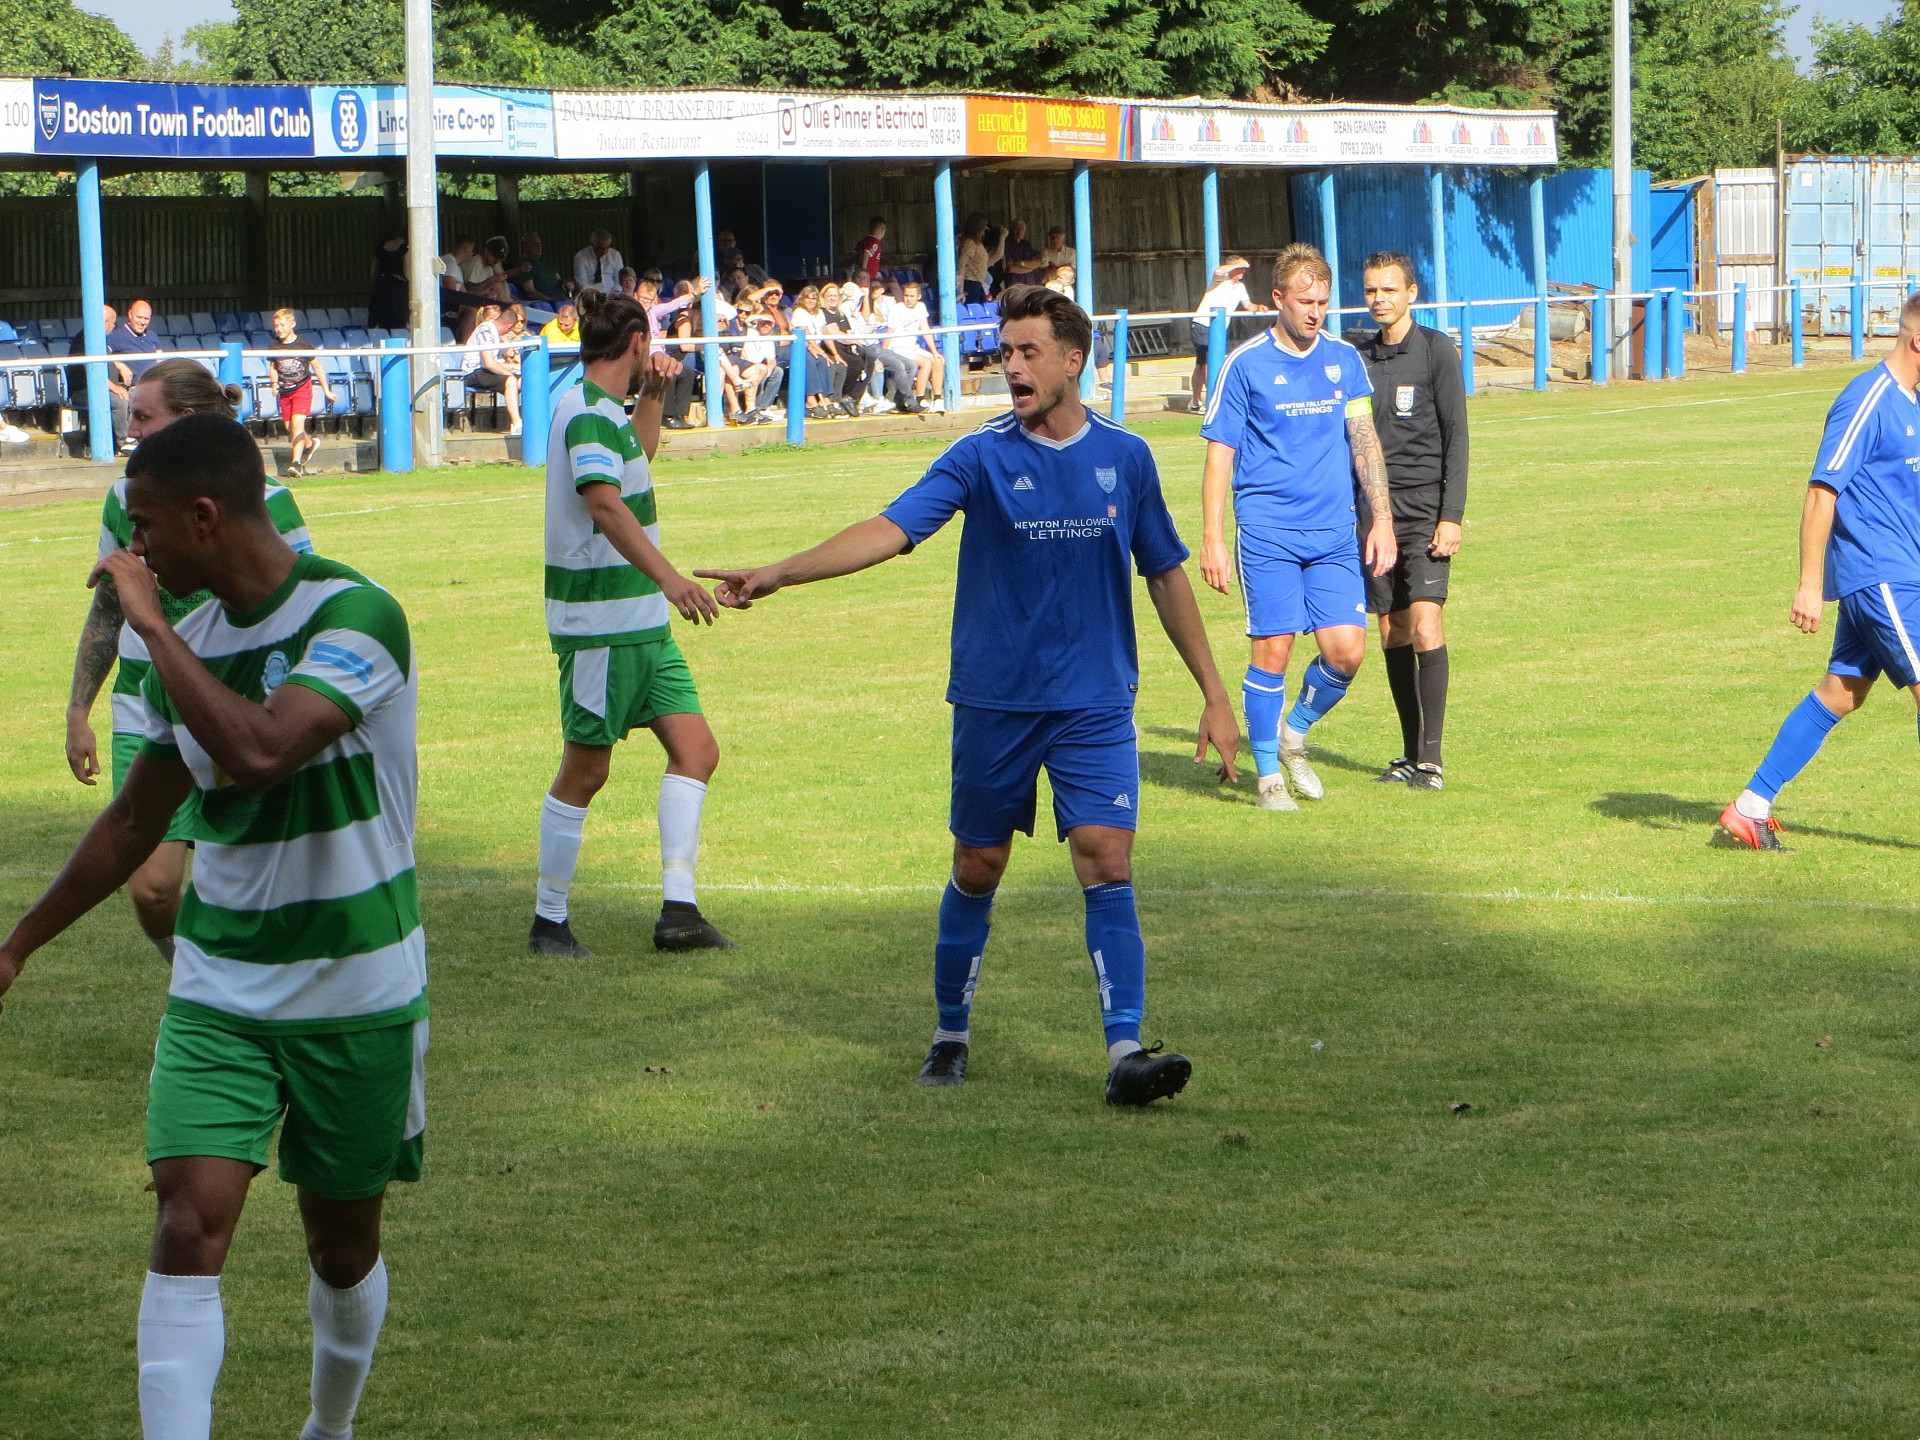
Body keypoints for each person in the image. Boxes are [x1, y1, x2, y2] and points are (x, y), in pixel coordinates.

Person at [696, 284, 1238, 1105]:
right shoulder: (981, 454)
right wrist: (780, 572)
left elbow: (1163, 571)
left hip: (1093, 700)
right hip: (995, 700)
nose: (1010, 367)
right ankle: (951, 1031)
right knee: (979, 864)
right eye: (1004, 351)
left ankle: (1127, 1050)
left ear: (1071, 359)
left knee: (1108, 857)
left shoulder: (1125, 458)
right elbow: (891, 529)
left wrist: (1213, 692)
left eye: (1027, 352)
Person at [2, 413, 424, 1440]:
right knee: (186, 1222)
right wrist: (16, 945)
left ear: (203, 515)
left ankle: (329, 1428)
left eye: (142, 530)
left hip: (355, 990)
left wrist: (147, 626)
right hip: (220, 984)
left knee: (341, 1245)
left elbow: (263, 750)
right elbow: (140, 816)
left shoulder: (355, 615)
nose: (129, 551)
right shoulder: (187, 643)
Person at [64, 360, 313, 965]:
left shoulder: (269, 506)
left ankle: (228, 992)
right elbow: (107, 608)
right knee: (151, 890)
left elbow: (302, 612)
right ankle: (198, 979)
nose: (134, 431)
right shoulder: (124, 502)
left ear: (189, 421)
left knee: (247, 871)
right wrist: (77, 709)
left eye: (144, 417)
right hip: (146, 701)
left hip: (238, 702)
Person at [531, 287, 734, 957]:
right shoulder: (586, 412)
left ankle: (680, 911)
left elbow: (636, 458)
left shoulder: (608, 410)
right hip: (601, 626)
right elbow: (605, 505)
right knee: (586, 769)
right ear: (637, 343)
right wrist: (671, 578)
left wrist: (650, 397)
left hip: (639, 623)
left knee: (696, 751)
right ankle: (548, 920)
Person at [1717, 291, 1920, 849]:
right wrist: (1809, 584)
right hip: (1882, 575)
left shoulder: (1912, 403)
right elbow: (1821, 491)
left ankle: (1749, 807)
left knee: (1842, 691)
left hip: (1895, 574)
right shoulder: (1868, 399)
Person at [1198, 243, 1397, 812]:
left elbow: (1364, 442)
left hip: (1334, 530)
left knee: (1348, 653)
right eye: (1305, 301)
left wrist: (1380, 519)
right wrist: (1214, 538)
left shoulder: (1344, 360)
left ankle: (1294, 735)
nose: (1315, 312)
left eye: (1324, 303)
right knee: (1275, 650)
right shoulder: (1246, 364)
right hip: (1268, 531)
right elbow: (1219, 456)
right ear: (1278, 299)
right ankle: (1268, 780)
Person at [1356, 252, 1468, 791]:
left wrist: (1451, 516)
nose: (1380, 299)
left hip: (1425, 508)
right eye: (1372, 290)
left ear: (1412, 293)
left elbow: (1458, 437)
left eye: (1390, 290)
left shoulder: (1435, 350)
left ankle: (1432, 758)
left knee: (1427, 625)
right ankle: (1406, 753)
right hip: (1373, 512)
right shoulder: (1358, 355)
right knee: (1392, 629)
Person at [268, 307, 338, 478]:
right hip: (285, 391)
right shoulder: (273, 345)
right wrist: (274, 383)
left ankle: (296, 463)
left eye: (283, 325)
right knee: (289, 427)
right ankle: (309, 444)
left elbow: (318, 367)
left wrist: (326, 390)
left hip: (302, 388)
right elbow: (273, 367)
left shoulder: (303, 344)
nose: (279, 329)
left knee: (297, 424)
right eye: (276, 326)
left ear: (293, 324)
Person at [1189, 257, 1254, 413]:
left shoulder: (1240, 287)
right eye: (1241, 268)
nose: (1244, 271)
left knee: (1201, 364)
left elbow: (1248, 305)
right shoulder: (1219, 280)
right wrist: (1236, 264)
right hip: (1203, 325)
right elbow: (1218, 271)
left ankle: (1195, 402)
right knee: (1206, 364)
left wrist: (1258, 307)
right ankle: (1211, 400)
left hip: (1219, 329)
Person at [108, 300, 165, 449]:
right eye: (139, 317)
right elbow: (103, 354)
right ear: (130, 315)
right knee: (135, 397)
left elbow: (160, 359)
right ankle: (127, 440)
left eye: (146, 319)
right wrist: (119, 364)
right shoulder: (117, 335)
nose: (142, 322)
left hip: (154, 383)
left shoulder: (152, 336)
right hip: (134, 386)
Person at [463, 304, 523, 436]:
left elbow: (509, 352)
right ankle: (516, 423)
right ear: (508, 326)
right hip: (473, 371)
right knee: (511, 380)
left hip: (486, 371)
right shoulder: (485, 329)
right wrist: (509, 373)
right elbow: (489, 363)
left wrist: (505, 340)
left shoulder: (496, 332)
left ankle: (528, 418)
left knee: (522, 380)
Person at [886, 280, 942, 412]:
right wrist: (884, 353)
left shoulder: (921, 307)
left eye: (912, 296)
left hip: (913, 348)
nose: (908, 299)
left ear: (919, 296)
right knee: (926, 363)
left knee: (939, 360)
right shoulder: (896, 309)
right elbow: (890, 332)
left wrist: (934, 351)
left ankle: (938, 398)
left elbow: (925, 329)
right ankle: (920, 398)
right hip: (899, 348)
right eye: (906, 296)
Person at [957, 213, 1005, 304]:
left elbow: (996, 256)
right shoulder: (970, 242)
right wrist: (960, 287)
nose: (984, 230)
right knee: (972, 309)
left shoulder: (978, 244)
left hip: (978, 282)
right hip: (970, 282)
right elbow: (962, 263)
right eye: (983, 227)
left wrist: (1002, 238)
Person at [514, 231, 567, 305]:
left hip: (562, 299)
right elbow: (531, 292)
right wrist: (551, 300)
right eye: (535, 244)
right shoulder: (523, 265)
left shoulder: (547, 262)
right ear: (526, 246)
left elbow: (559, 279)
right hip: (545, 304)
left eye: (540, 244)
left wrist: (567, 283)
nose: (539, 247)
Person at [368, 233, 409, 329]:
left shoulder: (382, 246)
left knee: (377, 321)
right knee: (397, 322)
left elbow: (373, 270)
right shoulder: (406, 248)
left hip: (380, 285)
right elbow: (408, 273)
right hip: (397, 288)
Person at [573, 229, 626, 296]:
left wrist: (615, 294)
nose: (604, 251)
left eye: (607, 248)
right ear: (592, 245)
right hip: (591, 297)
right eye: (600, 248)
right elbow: (581, 284)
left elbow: (619, 279)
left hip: (613, 295)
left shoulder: (615, 255)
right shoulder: (580, 257)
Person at [999, 218, 1043, 288]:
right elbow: (1011, 268)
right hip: (1014, 286)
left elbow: (1038, 262)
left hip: (1030, 285)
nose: (1019, 232)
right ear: (1012, 229)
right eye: (1017, 229)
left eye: (1022, 229)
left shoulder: (1027, 244)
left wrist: (1021, 263)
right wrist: (1030, 268)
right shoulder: (1006, 244)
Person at [853, 216, 886, 281]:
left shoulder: (862, 241)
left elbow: (853, 256)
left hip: (860, 275)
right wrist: (864, 273)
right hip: (869, 277)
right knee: (892, 283)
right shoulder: (874, 242)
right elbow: (866, 254)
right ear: (882, 229)